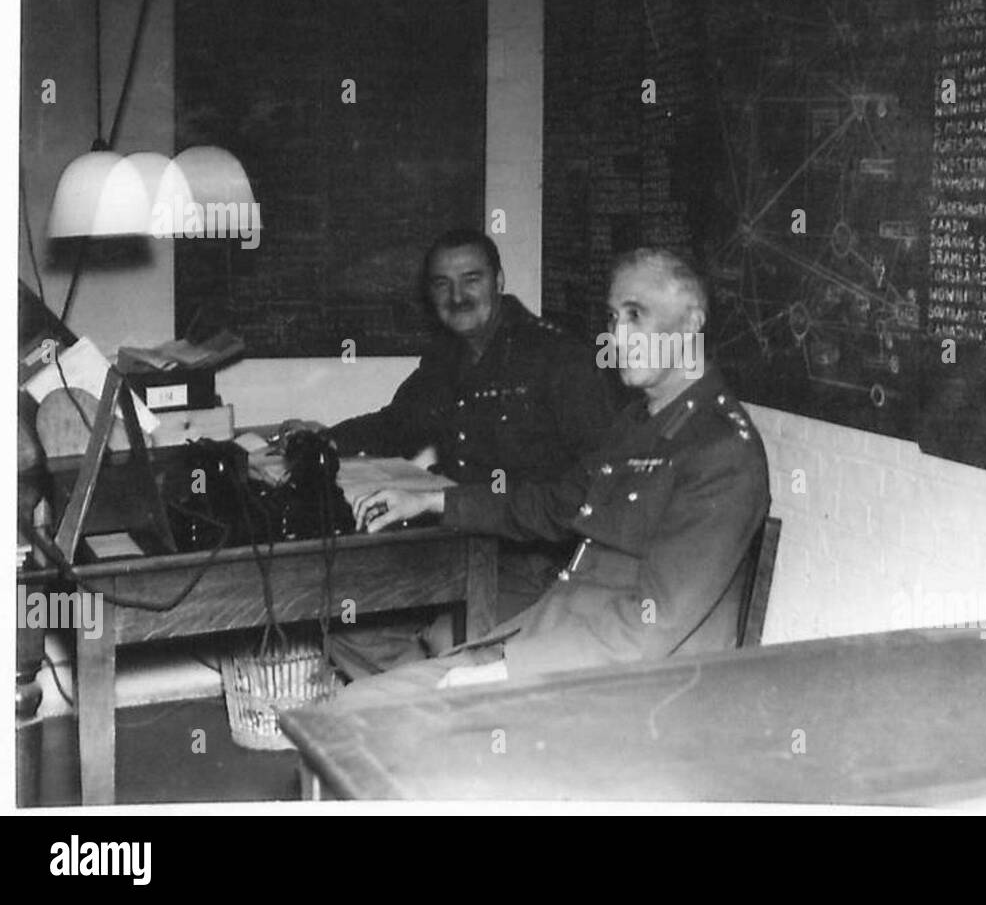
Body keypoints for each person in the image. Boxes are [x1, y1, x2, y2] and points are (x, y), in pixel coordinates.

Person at [331, 247, 770, 704]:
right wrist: (431, 502)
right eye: (613, 317)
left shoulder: (720, 451)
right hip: (558, 642)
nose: (616, 338)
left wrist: (502, 675)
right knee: (352, 703)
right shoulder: (640, 423)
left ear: (692, 322)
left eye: (636, 316)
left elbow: (650, 626)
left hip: (629, 689)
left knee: (361, 712)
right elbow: (555, 504)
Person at [281, 230, 618, 622]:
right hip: (459, 542)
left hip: (536, 561)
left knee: (402, 627)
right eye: (443, 284)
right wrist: (323, 440)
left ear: (500, 281)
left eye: (471, 280)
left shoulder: (559, 360)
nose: (457, 297)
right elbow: (397, 424)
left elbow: (591, 494)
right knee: (330, 606)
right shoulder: (448, 355)